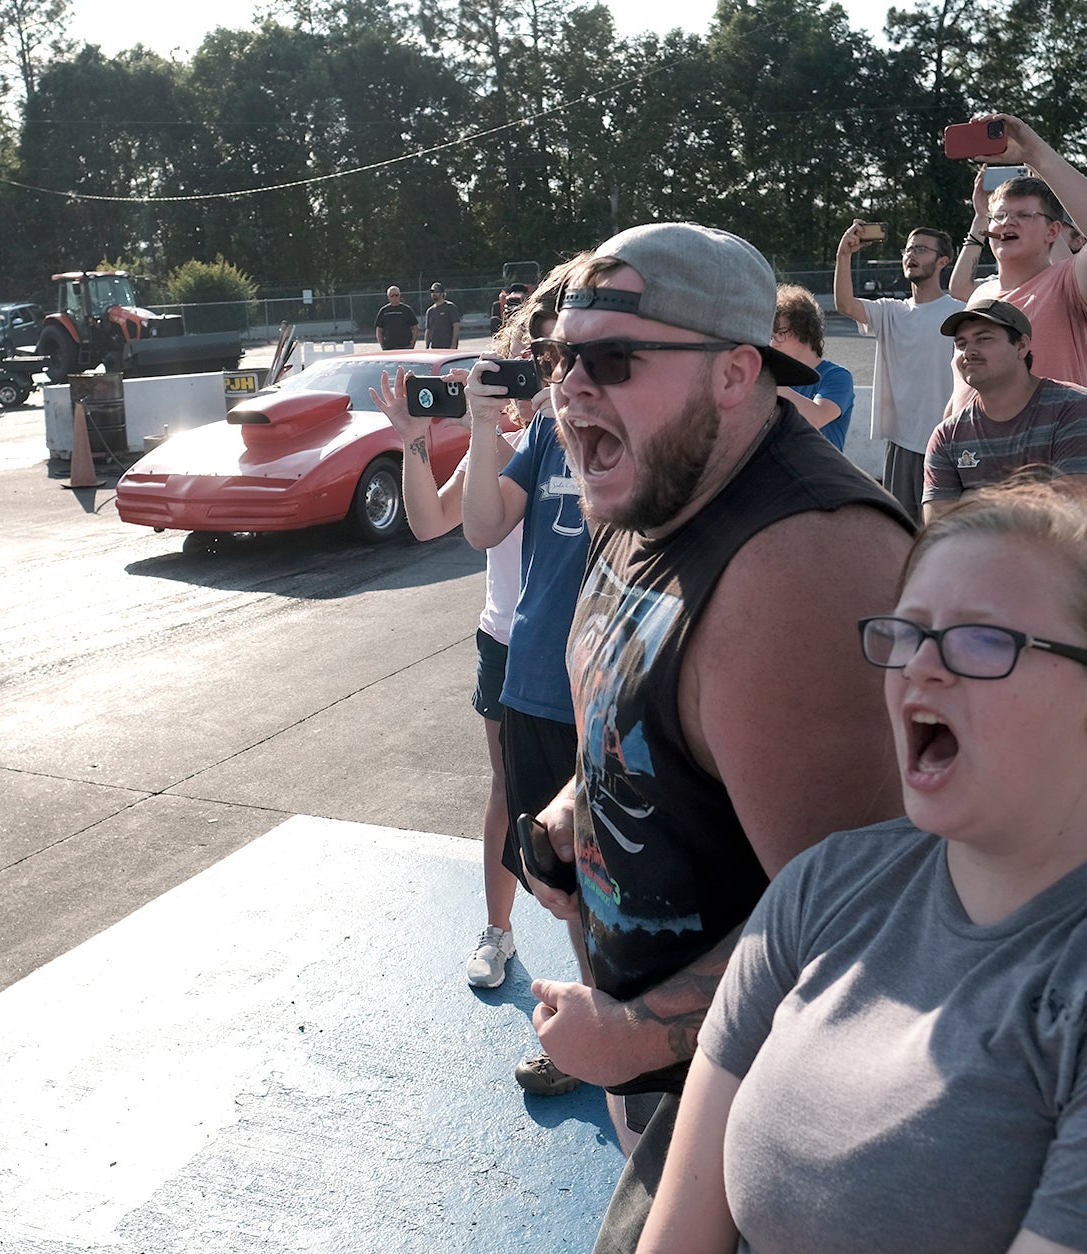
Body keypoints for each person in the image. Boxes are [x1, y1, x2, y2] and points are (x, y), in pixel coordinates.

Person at [636, 483, 1087, 1254]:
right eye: (907, 633)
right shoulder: (825, 887)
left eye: (983, 640)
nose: (921, 669)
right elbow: (681, 1232)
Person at [485, 222, 912, 1249]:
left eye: (610, 359)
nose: (568, 387)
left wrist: (636, 1033)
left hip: (771, 1112)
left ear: (733, 371)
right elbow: (651, 708)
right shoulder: (649, 490)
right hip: (668, 1059)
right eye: (557, 357)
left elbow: (864, 921)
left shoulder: (800, 568)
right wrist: (571, 813)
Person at [458, 270, 596, 1095]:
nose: (561, 370)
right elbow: (479, 524)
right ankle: (593, 1024)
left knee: (628, 875)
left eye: (578, 349)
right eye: (550, 352)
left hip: (618, 686)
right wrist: (482, 428)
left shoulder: (650, 432)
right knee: (566, 884)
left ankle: (630, 1034)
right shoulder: (544, 438)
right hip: (537, 681)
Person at [367, 354, 528, 992]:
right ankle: (498, 929)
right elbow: (430, 521)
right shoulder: (496, 449)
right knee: (507, 789)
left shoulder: (589, 445)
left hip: (580, 641)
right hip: (507, 641)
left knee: (598, 793)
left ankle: (609, 952)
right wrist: (414, 437)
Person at [945, 115, 1087, 410]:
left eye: (1023, 215)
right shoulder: (981, 296)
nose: (1008, 223)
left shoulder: (1067, 286)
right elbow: (960, 395)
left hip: (1048, 453)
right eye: (1001, 216)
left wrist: (1035, 153)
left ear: (1053, 231)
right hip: (973, 454)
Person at [923, 298, 1087, 521]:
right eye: (961, 344)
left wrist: (972, 504)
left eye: (983, 339)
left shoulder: (1078, 408)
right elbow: (938, 529)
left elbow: (1066, 513)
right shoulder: (947, 437)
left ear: (1021, 346)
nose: (969, 351)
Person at [833, 221, 964, 522]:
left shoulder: (962, 312)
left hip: (950, 442)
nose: (911, 255)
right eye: (908, 249)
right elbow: (844, 305)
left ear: (942, 261)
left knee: (946, 532)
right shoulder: (891, 311)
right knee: (904, 530)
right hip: (903, 443)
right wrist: (844, 255)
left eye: (920, 249)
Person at [769, 284, 854, 454]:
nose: (773, 342)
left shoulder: (836, 376)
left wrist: (768, 382)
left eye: (781, 332)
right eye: (770, 334)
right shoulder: (777, 377)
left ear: (804, 329)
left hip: (821, 475)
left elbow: (817, 417)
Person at [374, 285, 418, 350]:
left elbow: (415, 328)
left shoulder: (407, 309)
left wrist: (412, 344)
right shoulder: (383, 310)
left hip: (405, 346)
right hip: (388, 347)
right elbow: (379, 330)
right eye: (392, 295)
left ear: (400, 295)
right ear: (388, 297)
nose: (394, 297)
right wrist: (382, 345)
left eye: (396, 295)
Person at [424, 282, 462, 349]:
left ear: (442, 294)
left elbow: (456, 326)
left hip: (448, 345)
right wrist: (427, 346)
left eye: (436, 292)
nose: (434, 294)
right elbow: (428, 330)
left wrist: (453, 344)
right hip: (435, 347)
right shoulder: (430, 311)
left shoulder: (450, 307)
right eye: (432, 292)